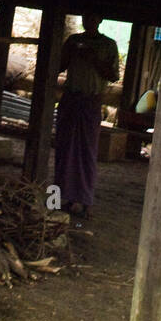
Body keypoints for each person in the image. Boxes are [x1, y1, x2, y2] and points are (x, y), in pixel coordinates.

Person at [52, 15, 119, 219]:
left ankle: (86, 201)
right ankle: (65, 198)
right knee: (64, 150)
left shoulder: (108, 45)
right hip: (71, 99)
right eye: (85, 17)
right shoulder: (73, 41)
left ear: (99, 20)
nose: (87, 21)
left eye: (92, 17)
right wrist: (71, 53)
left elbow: (113, 75)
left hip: (90, 102)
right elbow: (59, 65)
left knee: (87, 153)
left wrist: (94, 59)